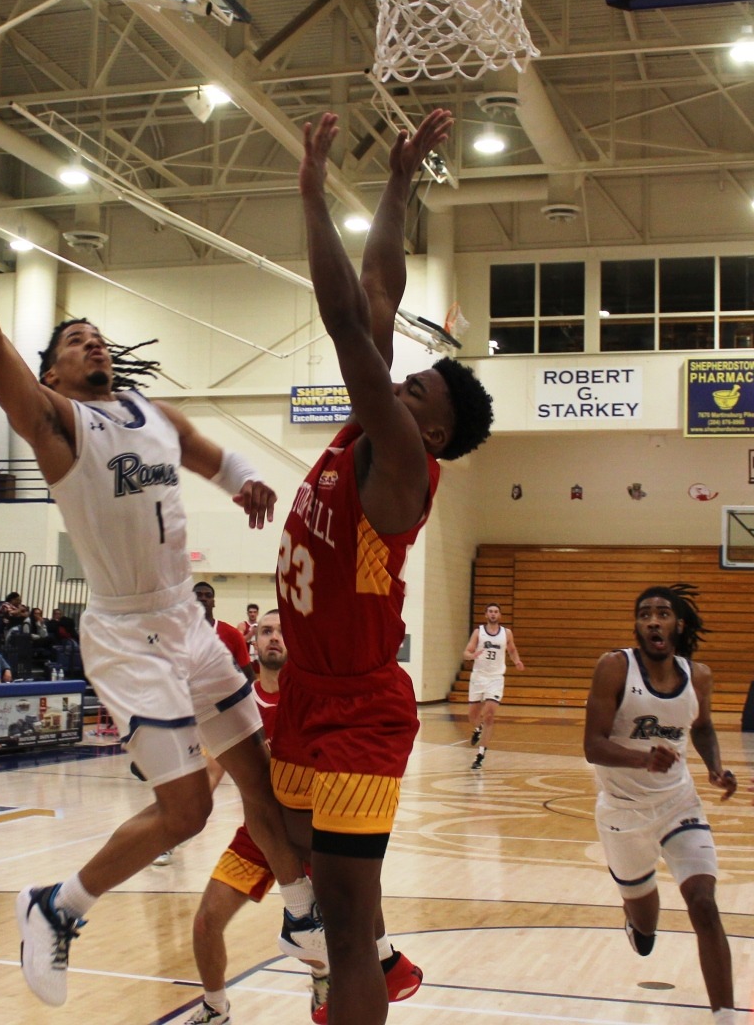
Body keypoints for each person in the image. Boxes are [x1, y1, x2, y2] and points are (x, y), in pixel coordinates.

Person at [0, 142, 318, 1009]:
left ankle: (304, 916)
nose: (93, 342)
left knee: (261, 778)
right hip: (126, 632)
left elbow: (200, 448)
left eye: (98, 336)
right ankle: (56, 905)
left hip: (189, 624)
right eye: (75, 340)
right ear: (50, 373)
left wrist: (242, 478)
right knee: (188, 811)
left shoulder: (149, 413)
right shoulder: (56, 423)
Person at [271, 109, 492, 1023]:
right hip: (305, 691)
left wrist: (312, 193)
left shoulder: (403, 461)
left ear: (432, 431)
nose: (399, 381)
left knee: (342, 929)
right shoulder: (365, 432)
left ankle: (369, 970)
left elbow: (345, 323)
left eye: (417, 389)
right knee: (311, 890)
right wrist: (399, 183)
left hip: (358, 708)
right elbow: (376, 292)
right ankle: (371, 963)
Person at [585, 586, 738, 1021]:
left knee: (704, 904)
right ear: (637, 625)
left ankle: (726, 1016)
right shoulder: (615, 667)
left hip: (678, 804)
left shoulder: (698, 676)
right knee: (646, 928)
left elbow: (702, 727)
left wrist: (716, 768)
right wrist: (643, 759)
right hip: (622, 811)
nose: (653, 620)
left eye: (663, 613)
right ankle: (636, 922)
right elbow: (593, 746)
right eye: (645, 614)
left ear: (678, 625)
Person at [182, 608, 337, 1025]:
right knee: (205, 922)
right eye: (266, 631)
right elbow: (213, 767)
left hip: (307, 834)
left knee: (314, 941)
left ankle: (322, 974)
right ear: (254, 642)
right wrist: (185, 813)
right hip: (258, 834)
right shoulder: (239, 703)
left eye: (282, 632)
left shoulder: (310, 698)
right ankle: (215, 1008)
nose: (274, 637)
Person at [463, 602, 526, 770]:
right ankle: (478, 728)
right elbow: (466, 652)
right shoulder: (479, 632)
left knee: (489, 714)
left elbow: (512, 650)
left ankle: (480, 755)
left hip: (495, 678)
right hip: (478, 677)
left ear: (500, 615)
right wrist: (471, 655)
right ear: (486, 615)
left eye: (496, 611)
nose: (493, 614)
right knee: (472, 715)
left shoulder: (506, 633)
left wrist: (517, 661)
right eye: (490, 611)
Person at [193, 582, 250, 676]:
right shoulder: (176, 634)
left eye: (208, 595)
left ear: (213, 603)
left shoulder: (232, 634)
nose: (203, 598)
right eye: (198, 595)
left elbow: (248, 675)